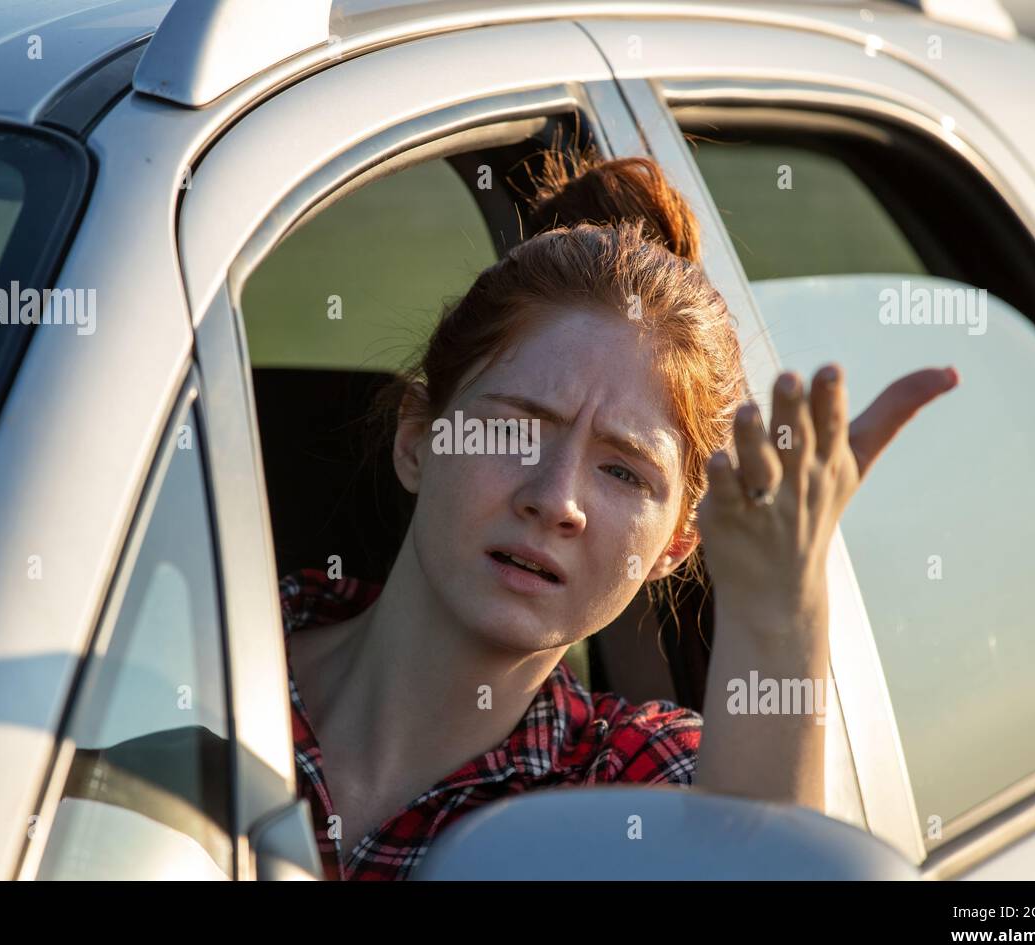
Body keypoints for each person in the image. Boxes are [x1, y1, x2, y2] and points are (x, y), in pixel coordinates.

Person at [279, 151, 959, 880]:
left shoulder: (639, 786)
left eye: (622, 471)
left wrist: (778, 608)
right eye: (517, 430)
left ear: (676, 544)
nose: (556, 499)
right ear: (418, 441)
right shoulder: (206, 635)